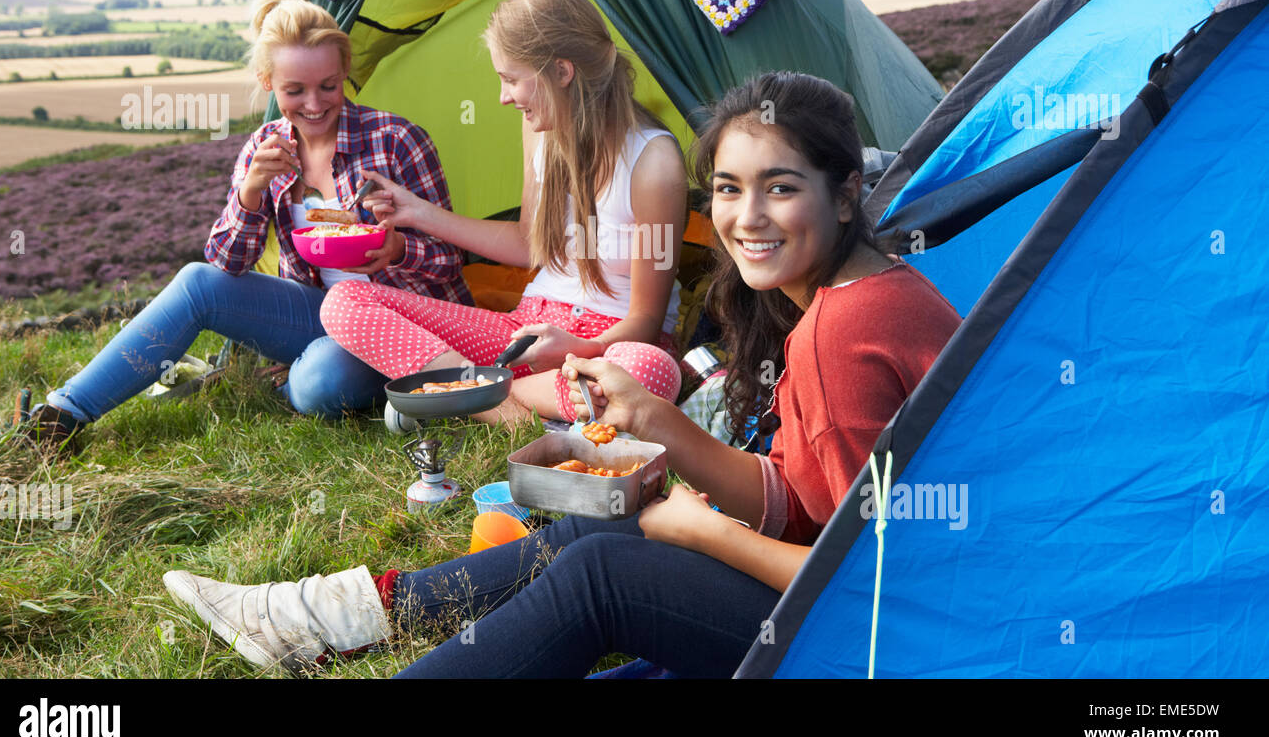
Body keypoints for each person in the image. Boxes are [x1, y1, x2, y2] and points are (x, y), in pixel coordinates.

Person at [162, 72, 963, 677]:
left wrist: (705, 530)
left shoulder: (847, 330)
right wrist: (659, 423)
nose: (746, 218)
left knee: (601, 576)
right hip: (873, 604)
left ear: (847, 193)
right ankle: (331, 615)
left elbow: (880, 580)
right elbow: (807, 500)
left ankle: (325, 621)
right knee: (611, 517)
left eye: (780, 188)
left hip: (890, 642)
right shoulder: (852, 299)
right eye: (727, 188)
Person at [13, 0, 472, 452]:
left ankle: (305, 381)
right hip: (323, 313)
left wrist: (397, 250)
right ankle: (59, 418)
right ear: (268, 82)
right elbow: (226, 264)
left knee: (319, 382)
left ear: (345, 72)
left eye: (328, 86)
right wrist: (251, 191)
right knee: (197, 283)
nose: (314, 104)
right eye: (295, 91)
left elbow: (451, 260)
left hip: (403, 322)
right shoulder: (264, 147)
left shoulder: (396, 139)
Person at [316, 0, 687, 425]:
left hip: (606, 343)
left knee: (649, 370)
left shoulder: (653, 163)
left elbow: (646, 319)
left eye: (511, 79)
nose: (503, 97)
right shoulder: (541, 131)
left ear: (562, 72)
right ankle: (511, 408)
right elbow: (530, 245)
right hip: (526, 332)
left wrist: (575, 347)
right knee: (344, 301)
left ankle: (467, 396)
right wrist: (415, 211)